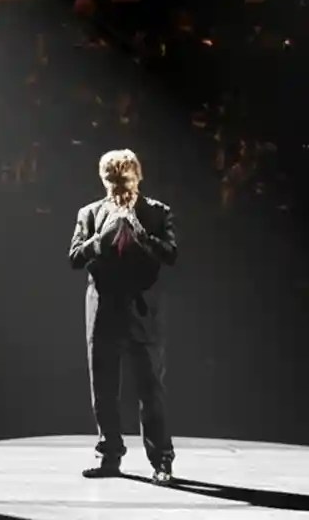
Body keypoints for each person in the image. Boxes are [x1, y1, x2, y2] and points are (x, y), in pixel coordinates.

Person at [68, 148, 178, 483]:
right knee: (103, 388)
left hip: (143, 314)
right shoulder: (89, 214)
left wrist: (141, 234)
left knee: (150, 389)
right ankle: (109, 456)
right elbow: (74, 257)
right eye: (113, 181)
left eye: (124, 180)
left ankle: (162, 461)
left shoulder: (157, 213)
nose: (118, 188)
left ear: (137, 176)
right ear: (104, 181)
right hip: (102, 311)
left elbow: (171, 254)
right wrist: (101, 240)